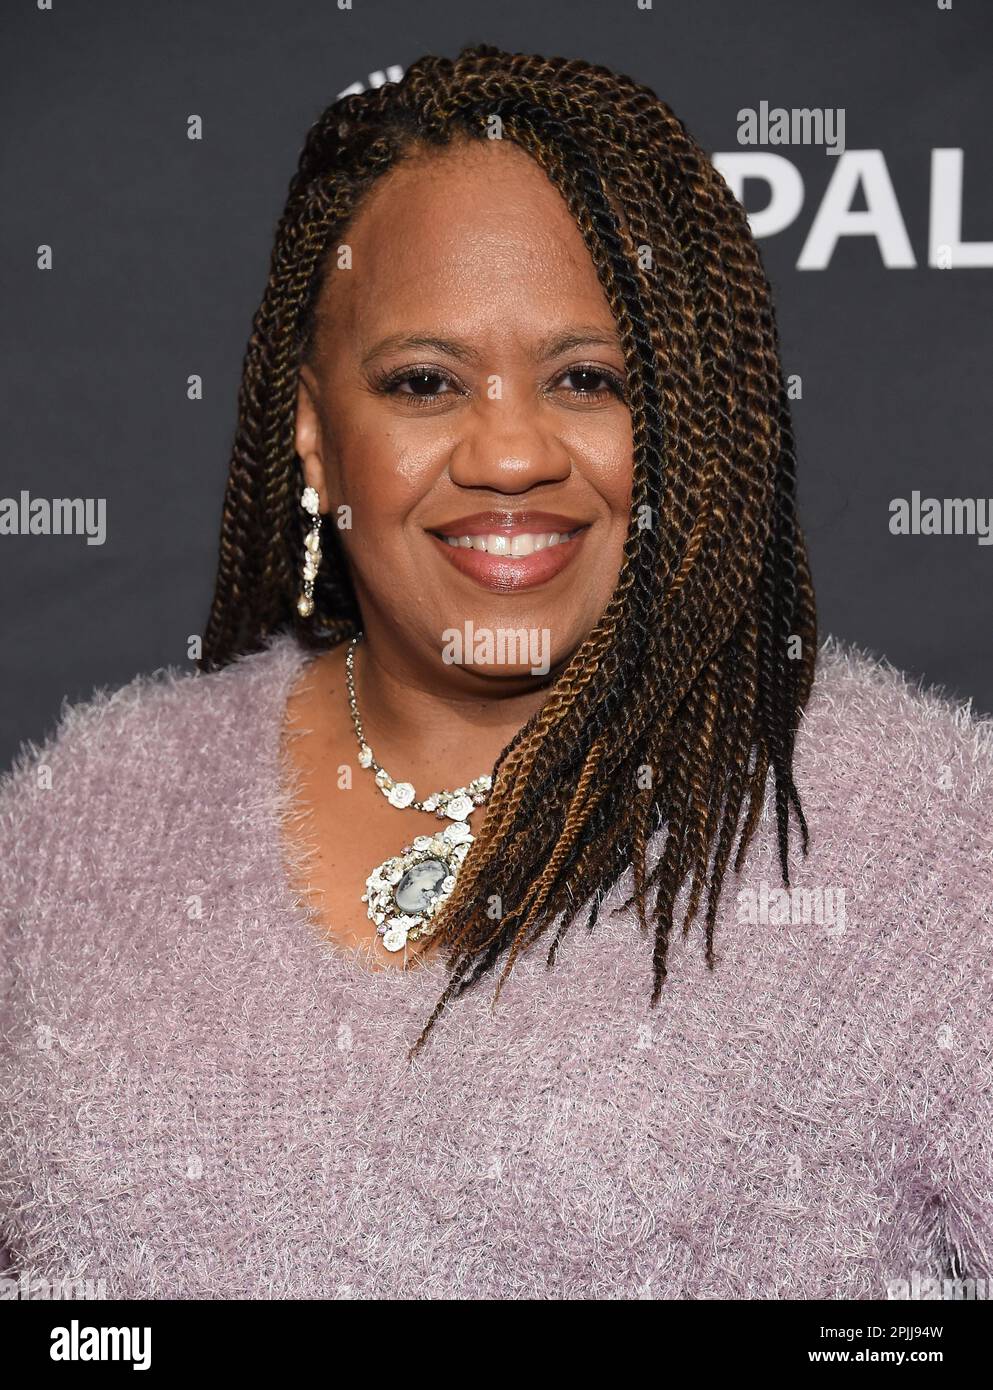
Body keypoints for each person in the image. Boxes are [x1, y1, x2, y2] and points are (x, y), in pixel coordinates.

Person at [1, 44, 990, 1301]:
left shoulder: (922, 844)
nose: (511, 454)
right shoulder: (78, 823)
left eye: (587, 379)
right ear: (314, 433)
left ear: (687, 419)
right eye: (425, 382)